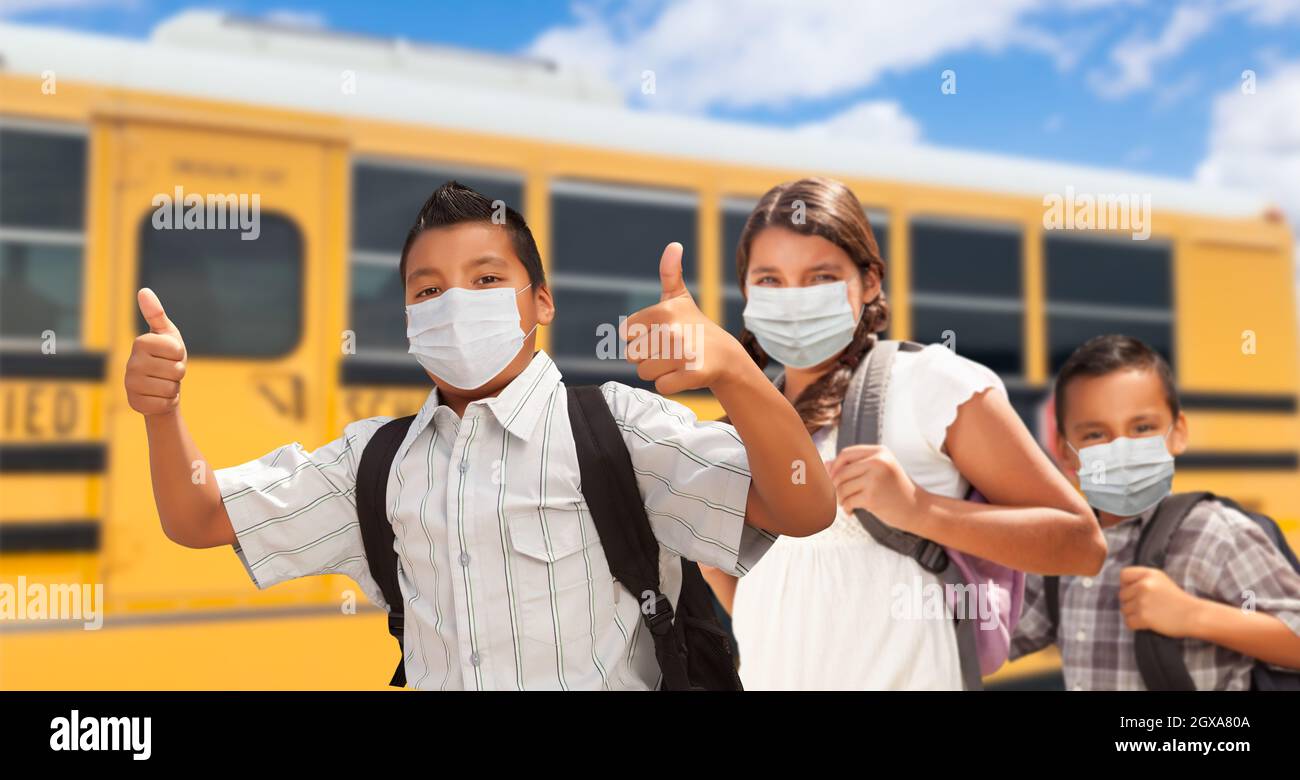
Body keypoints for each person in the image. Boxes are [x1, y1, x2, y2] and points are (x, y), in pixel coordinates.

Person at [125, 181, 836, 690]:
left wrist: (736, 372)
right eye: (427, 290)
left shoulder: (619, 429)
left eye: (488, 279)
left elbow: (804, 508)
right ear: (407, 319)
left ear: (542, 302)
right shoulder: (374, 462)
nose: (455, 304)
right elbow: (200, 516)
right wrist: (164, 413)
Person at [701, 177, 1105, 690]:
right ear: (746, 293)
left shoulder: (932, 385)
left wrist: (917, 508)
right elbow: (775, 604)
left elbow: (1081, 543)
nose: (794, 300)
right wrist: (711, 559)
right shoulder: (744, 426)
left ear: (869, 282)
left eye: (820, 277)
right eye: (771, 281)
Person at [1010, 334, 1300, 689]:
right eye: (1095, 435)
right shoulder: (1065, 550)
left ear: (1178, 433)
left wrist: (1194, 615)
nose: (1121, 448)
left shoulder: (1216, 533)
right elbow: (993, 639)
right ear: (1065, 451)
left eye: (1142, 428)